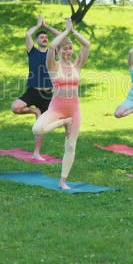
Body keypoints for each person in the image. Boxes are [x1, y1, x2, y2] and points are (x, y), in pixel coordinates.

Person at [32, 17, 90, 190]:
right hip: (57, 109)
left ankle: (63, 180)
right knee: (37, 129)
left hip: (74, 110)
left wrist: (72, 32)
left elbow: (86, 46)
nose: (68, 51)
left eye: (70, 48)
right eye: (64, 48)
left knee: (71, 146)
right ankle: (64, 123)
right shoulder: (52, 65)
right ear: (58, 50)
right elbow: (50, 47)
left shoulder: (77, 65)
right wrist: (64, 32)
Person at [10, 14, 61, 160]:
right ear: (37, 41)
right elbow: (27, 34)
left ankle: (36, 153)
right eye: (41, 37)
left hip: (46, 95)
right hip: (32, 91)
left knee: (41, 127)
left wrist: (47, 27)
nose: (44, 38)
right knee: (15, 107)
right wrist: (39, 26)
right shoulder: (32, 51)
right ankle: (34, 110)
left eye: (46, 37)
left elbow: (61, 37)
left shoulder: (52, 53)